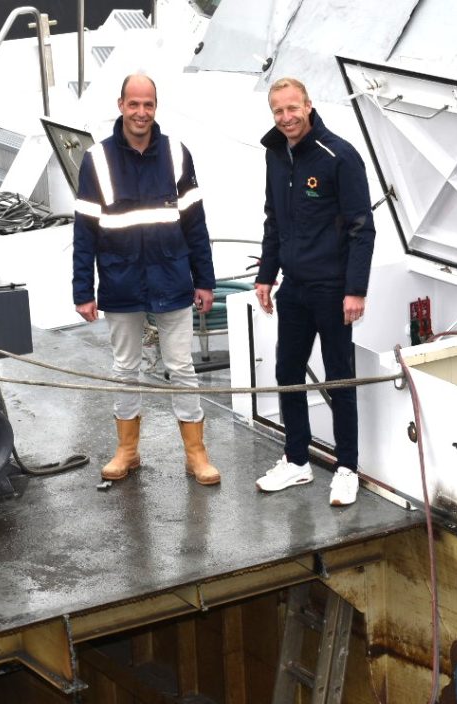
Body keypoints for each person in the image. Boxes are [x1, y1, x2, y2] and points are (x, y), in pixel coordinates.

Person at [73, 73, 219, 485]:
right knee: (124, 368)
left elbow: (195, 223)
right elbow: (84, 231)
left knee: (182, 367)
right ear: (121, 105)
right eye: (134, 104)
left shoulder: (176, 153)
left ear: (156, 107)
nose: (141, 112)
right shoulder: (96, 159)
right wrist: (82, 291)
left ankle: (196, 454)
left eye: (148, 104)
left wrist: (204, 280)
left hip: (172, 277)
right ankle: (127, 451)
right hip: (120, 281)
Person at [252, 77, 376, 507]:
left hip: (333, 289)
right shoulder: (274, 154)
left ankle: (347, 469)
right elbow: (273, 219)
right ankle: (297, 460)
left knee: (339, 377)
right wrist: (266, 275)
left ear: (308, 105)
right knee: (287, 372)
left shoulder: (339, 156)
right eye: (278, 111)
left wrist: (355, 290)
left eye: (293, 108)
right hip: (294, 288)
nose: (286, 118)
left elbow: (362, 229)